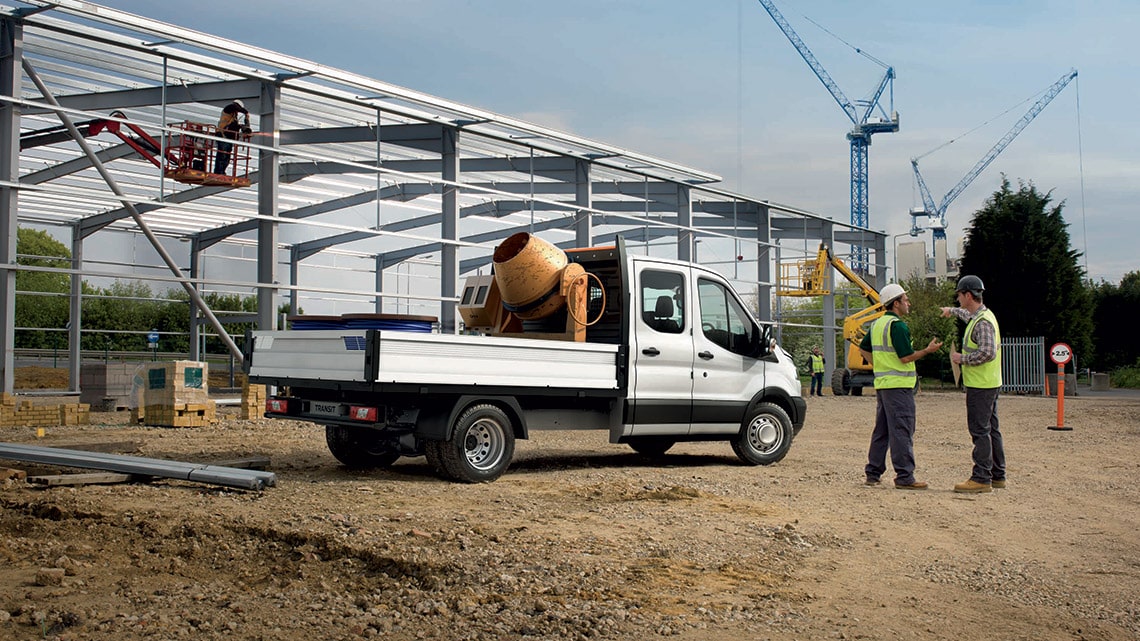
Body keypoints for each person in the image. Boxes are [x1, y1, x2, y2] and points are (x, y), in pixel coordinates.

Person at [860, 283, 943, 490]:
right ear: (896, 303)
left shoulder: (877, 324)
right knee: (902, 430)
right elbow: (906, 357)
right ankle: (905, 476)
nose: (909, 303)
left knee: (882, 431)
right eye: (905, 300)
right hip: (899, 387)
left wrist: (880, 365)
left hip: (884, 385)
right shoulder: (897, 326)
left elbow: (863, 349)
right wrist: (927, 350)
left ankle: (873, 473)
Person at [941, 275, 1004, 494]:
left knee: (980, 431)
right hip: (989, 382)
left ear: (968, 295)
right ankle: (997, 475)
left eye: (959, 295)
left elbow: (987, 352)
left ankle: (981, 478)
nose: (958, 299)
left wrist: (962, 359)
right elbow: (965, 314)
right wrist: (951, 311)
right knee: (991, 430)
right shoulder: (980, 316)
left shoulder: (982, 323)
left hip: (981, 385)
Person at [213, 99, 250, 175]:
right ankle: (218, 172)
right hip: (222, 135)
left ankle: (222, 172)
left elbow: (234, 127)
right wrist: (245, 112)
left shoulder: (234, 117)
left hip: (228, 138)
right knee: (222, 155)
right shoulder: (228, 109)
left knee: (227, 157)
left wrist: (244, 125)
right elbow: (234, 107)